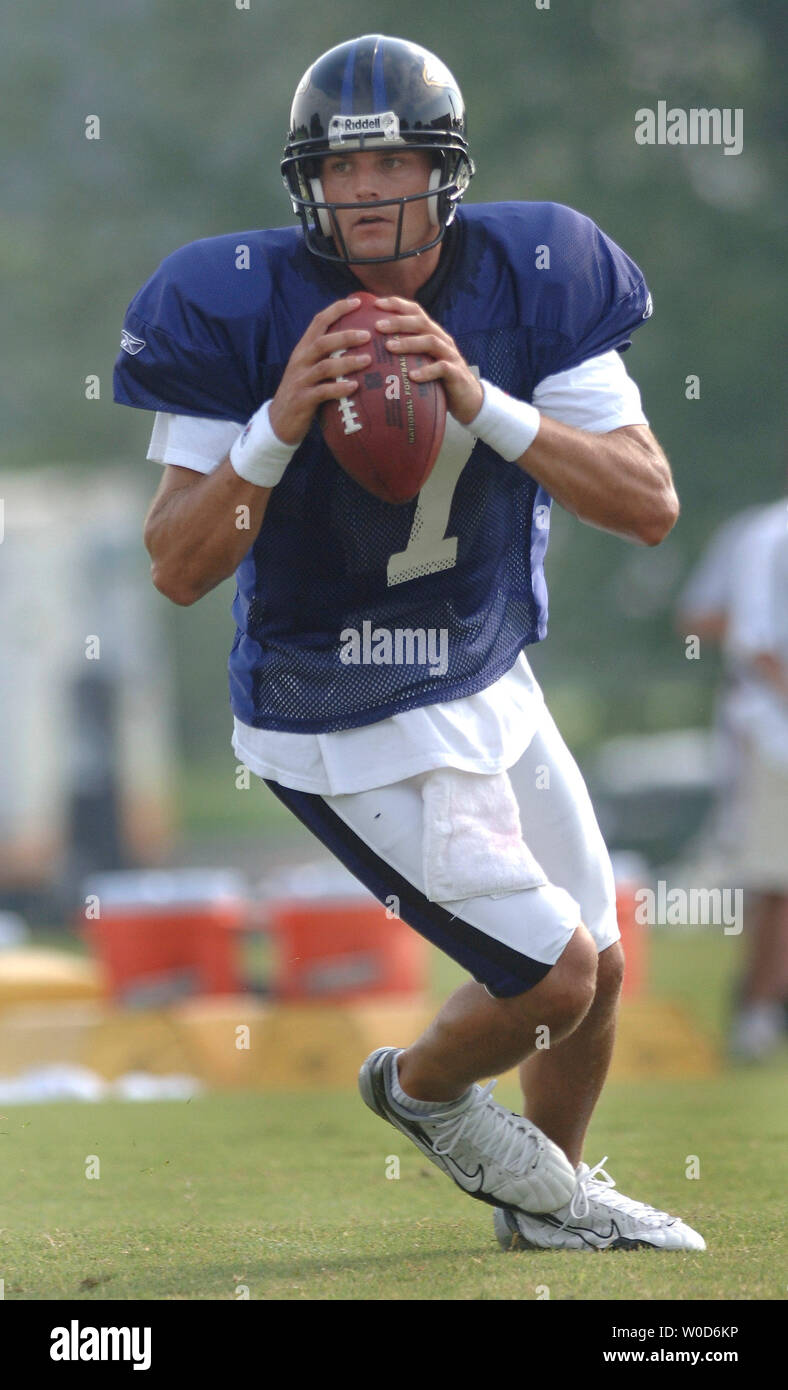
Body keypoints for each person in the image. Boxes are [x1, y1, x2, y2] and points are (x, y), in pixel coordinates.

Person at [114, 34, 704, 1251]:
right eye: (341, 167)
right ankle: (422, 1088)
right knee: (547, 979)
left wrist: (480, 400)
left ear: (445, 168)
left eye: (391, 158)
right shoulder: (230, 301)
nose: (366, 188)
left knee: (596, 958)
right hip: (333, 703)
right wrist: (275, 422)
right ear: (303, 185)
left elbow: (645, 505)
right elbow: (176, 564)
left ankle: (548, 1204)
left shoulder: (535, 273)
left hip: (484, 656)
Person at [678, 496, 788, 1061]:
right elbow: (741, 635)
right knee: (775, 880)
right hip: (771, 730)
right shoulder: (765, 533)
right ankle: (757, 1010)